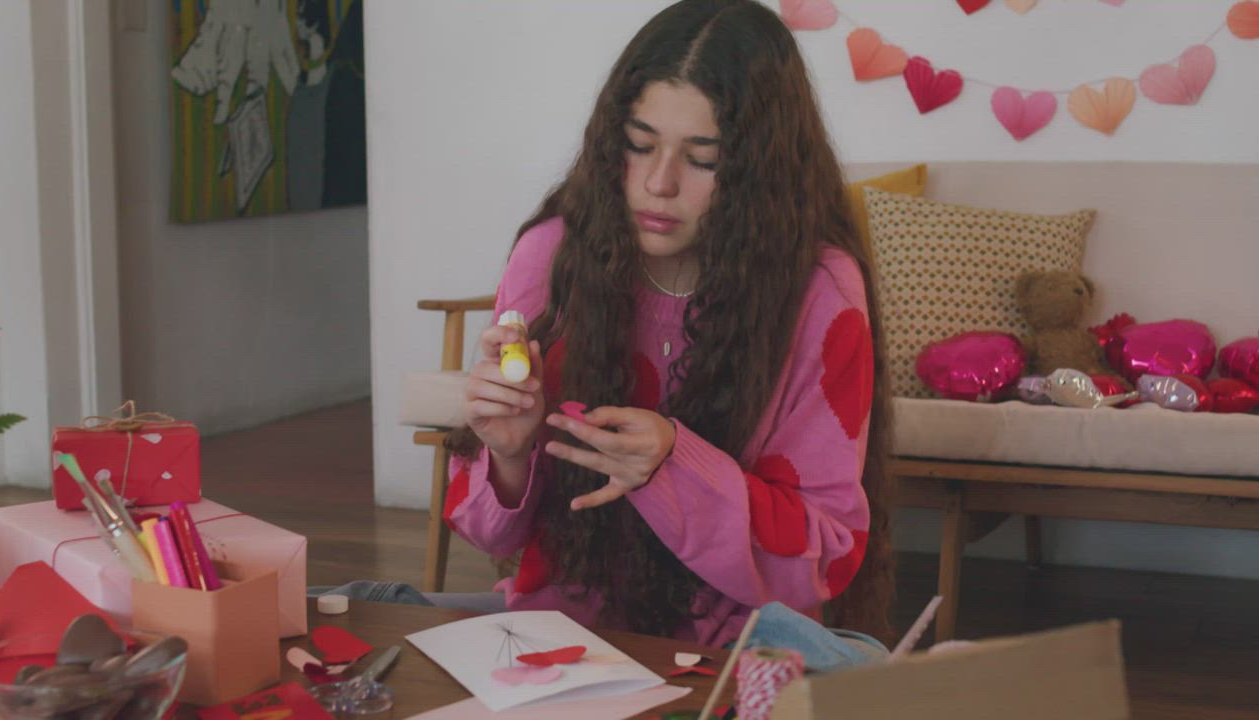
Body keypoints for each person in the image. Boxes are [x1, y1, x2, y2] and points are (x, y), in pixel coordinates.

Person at [326, 0, 895, 648]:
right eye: (638, 145)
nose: (658, 182)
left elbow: (826, 555)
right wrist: (509, 453)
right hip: (554, 649)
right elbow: (487, 531)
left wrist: (669, 465)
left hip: (732, 658)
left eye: (704, 158)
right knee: (329, 614)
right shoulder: (552, 253)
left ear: (761, 170)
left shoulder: (819, 293)